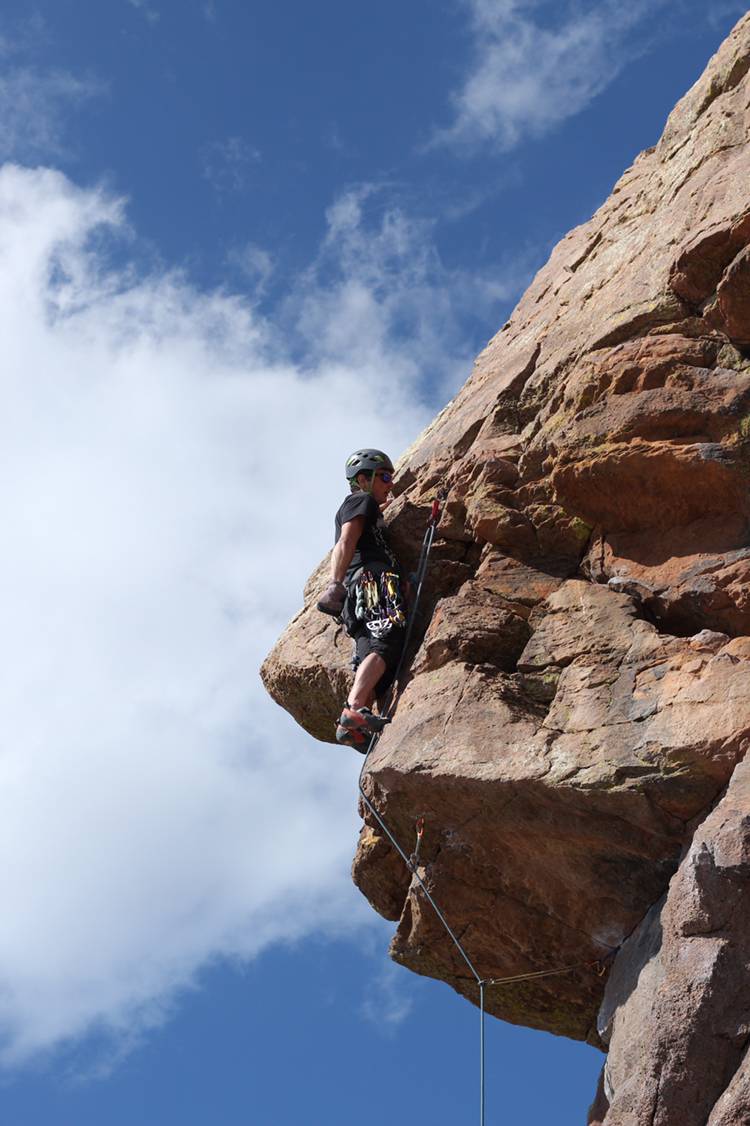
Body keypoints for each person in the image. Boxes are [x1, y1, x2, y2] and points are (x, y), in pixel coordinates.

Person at [317, 449, 407, 752]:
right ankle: (354, 711)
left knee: (371, 646)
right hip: (371, 583)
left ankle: (354, 724)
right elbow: (346, 540)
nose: (389, 483)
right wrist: (335, 583)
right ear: (363, 479)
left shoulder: (370, 507)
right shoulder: (360, 500)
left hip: (361, 594)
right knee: (386, 639)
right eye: (384, 476)